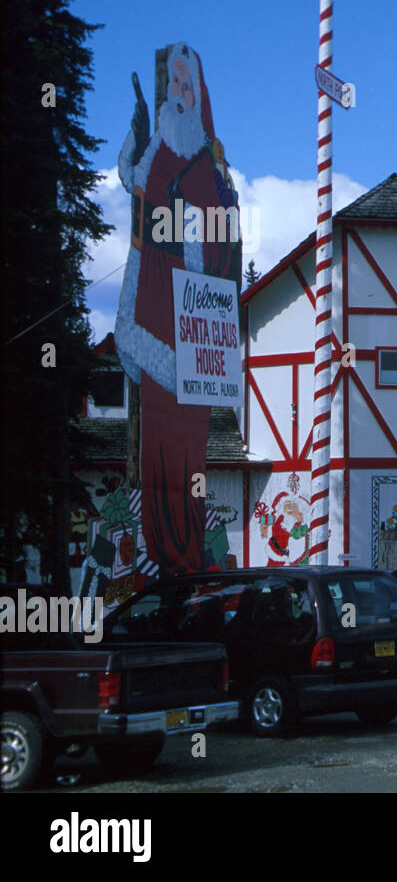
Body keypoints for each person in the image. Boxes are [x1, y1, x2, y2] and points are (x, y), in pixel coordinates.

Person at [116, 42, 240, 577]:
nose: (180, 94)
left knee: (182, 439)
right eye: (174, 85)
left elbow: (220, 236)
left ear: (200, 94)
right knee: (151, 434)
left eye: (188, 86)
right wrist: (135, 133)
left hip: (186, 316)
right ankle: (153, 546)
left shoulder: (206, 162)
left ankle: (180, 546)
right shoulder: (157, 149)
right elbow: (132, 183)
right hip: (145, 298)